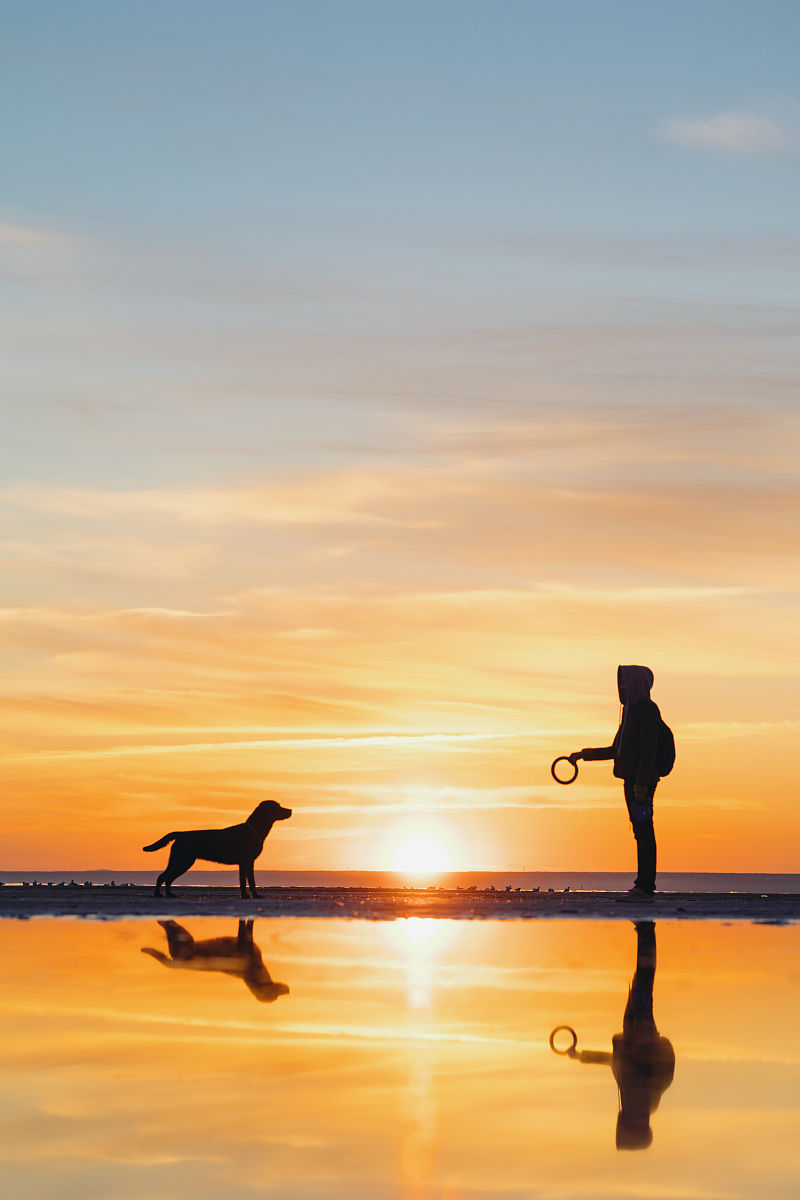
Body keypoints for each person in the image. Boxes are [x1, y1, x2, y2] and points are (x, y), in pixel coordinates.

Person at [570, 664, 662, 901]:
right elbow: (616, 750)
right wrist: (582, 755)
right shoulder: (630, 713)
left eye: (625, 682)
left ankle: (645, 888)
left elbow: (649, 750)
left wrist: (641, 786)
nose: (622, 687)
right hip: (631, 781)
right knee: (640, 831)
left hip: (641, 783)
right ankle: (643, 886)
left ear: (635, 684)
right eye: (620, 683)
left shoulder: (647, 710)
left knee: (644, 831)